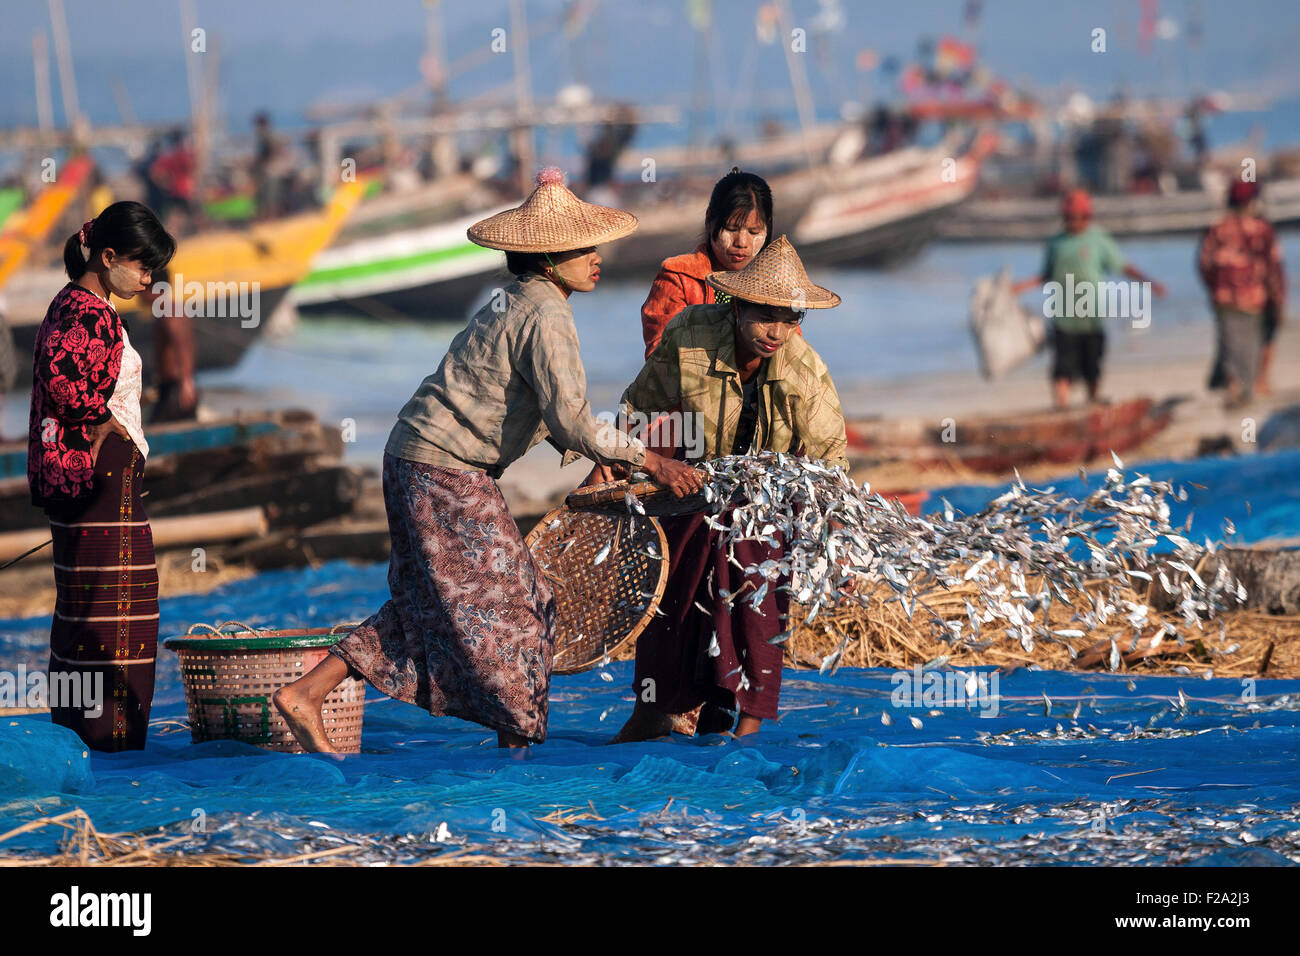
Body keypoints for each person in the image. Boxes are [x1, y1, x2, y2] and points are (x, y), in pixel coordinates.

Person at [273, 168, 702, 752]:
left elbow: (530, 406)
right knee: (523, 608)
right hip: (441, 468)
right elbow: (574, 420)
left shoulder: (523, 301)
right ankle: (517, 747)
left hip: (418, 459)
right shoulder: (546, 314)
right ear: (549, 259)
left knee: (428, 604)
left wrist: (600, 455)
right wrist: (651, 462)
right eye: (583, 248)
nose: (596, 257)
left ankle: (307, 693)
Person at [607, 235, 848, 742]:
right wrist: (612, 460)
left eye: (790, 319)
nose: (777, 331)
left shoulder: (805, 371)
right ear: (736, 305)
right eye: (765, 316)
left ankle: (749, 723)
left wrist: (834, 531)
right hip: (694, 489)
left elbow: (831, 459)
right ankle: (653, 713)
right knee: (668, 608)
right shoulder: (691, 334)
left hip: (765, 504)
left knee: (754, 611)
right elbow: (641, 404)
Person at [26, 201, 176, 751]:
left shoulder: (75, 304)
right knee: (117, 610)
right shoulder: (89, 311)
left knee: (83, 604)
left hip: (86, 477)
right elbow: (62, 380)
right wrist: (104, 420)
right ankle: (108, 738)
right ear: (107, 256)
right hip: (94, 477)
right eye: (141, 267)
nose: (146, 278)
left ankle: (77, 733)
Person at [1013, 189, 1165, 407]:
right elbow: (1046, 275)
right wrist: (1020, 287)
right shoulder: (1055, 243)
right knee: (1062, 368)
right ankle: (1061, 406)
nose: (1074, 222)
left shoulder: (1099, 240)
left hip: (1092, 318)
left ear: (1087, 217)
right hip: (1063, 318)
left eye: (1078, 217)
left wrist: (1149, 283)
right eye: (1069, 217)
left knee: (1092, 367)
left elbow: (1123, 266)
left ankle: (1092, 403)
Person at [639, 168, 780, 359]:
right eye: (731, 229)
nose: (741, 243)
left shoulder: (776, 282)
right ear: (709, 220)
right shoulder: (679, 278)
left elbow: (791, 352)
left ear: (768, 226)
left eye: (754, 232)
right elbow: (662, 356)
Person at [1198, 179, 1286, 406]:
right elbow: (1274, 267)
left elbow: (1204, 264)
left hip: (1224, 298)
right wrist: (1278, 300)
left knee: (1230, 343)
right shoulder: (1263, 229)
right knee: (1249, 346)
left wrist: (1215, 288)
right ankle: (1243, 391)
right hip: (1254, 298)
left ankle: (1233, 386)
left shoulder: (1216, 228)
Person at [143, 264, 199, 423]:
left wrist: (185, 381)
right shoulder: (174, 308)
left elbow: (180, 342)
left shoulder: (167, 311)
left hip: (175, 389)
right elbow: (189, 344)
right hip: (177, 386)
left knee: (153, 434)